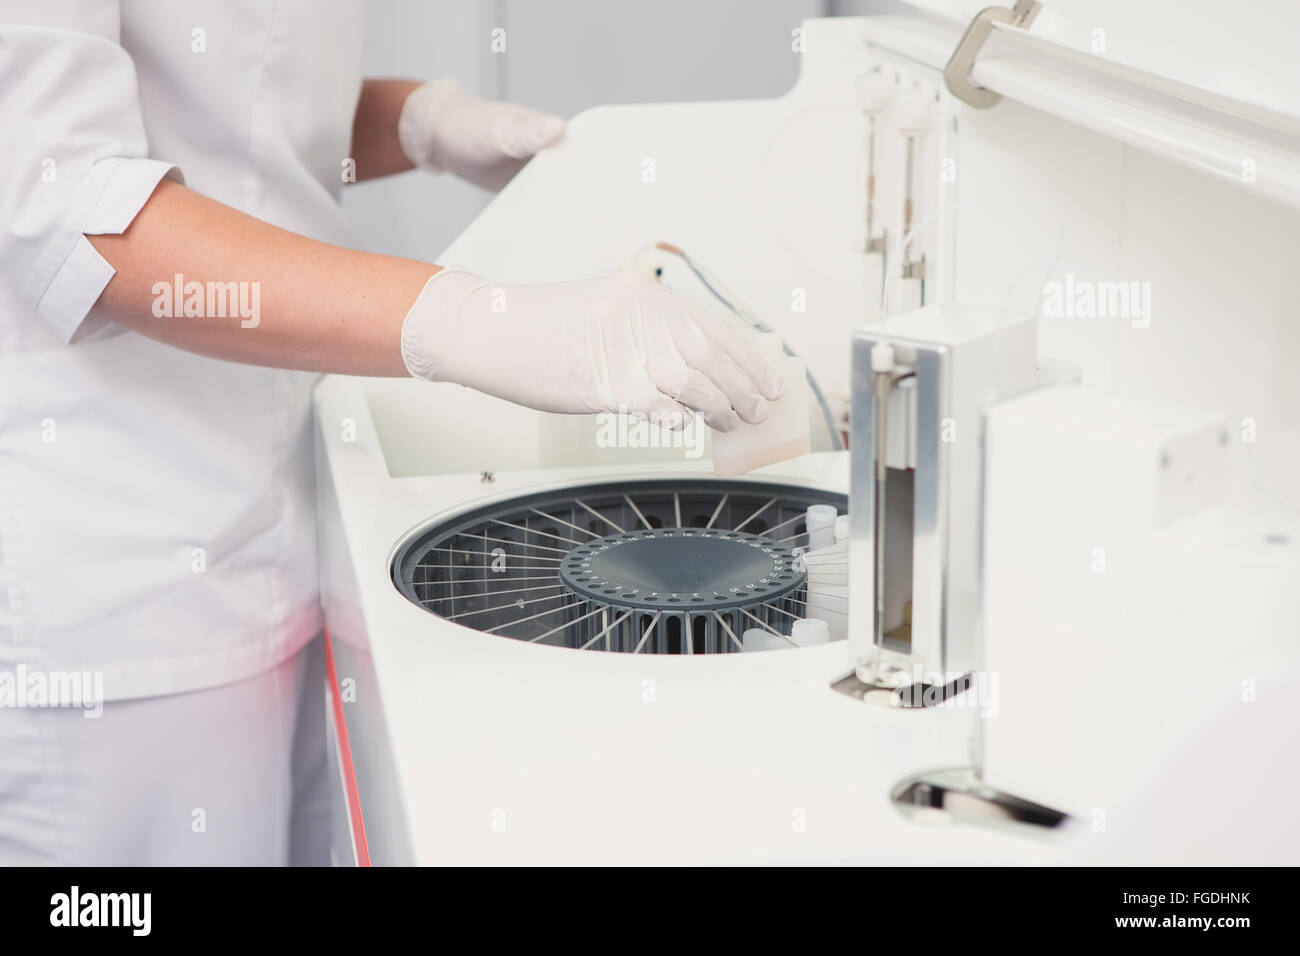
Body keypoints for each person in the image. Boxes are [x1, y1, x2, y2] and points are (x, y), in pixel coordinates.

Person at [0, 1, 782, 866]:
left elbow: (237, 122)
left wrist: (420, 122)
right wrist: (471, 322)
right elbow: (72, 209)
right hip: (111, 562)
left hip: (279, 514)